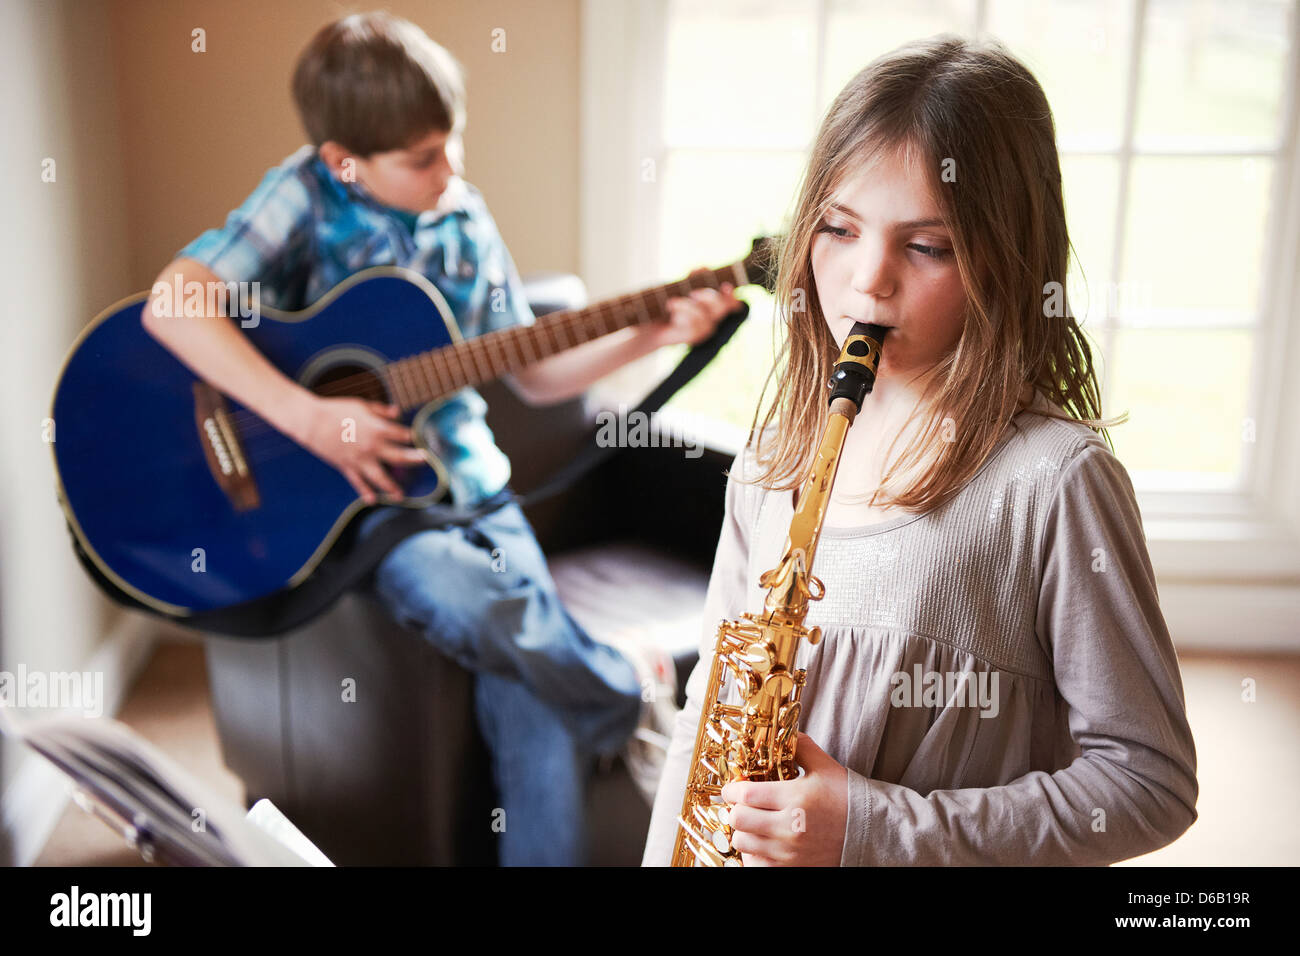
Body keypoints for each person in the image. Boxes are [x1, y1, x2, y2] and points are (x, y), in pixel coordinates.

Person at [140, 11, 741, 865]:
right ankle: (624, 687)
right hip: (371, 509)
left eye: (451, 142)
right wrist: (311, 414)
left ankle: (583, 708)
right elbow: (175, 301)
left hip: (474, 491)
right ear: (347, 159)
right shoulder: (303, 197)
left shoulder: (465, 218)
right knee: (470, 600)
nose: (449, 169)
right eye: (421, 158)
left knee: (527, 690)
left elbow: (532, 374)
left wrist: (656, 335)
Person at [642, 35, 1198, 866]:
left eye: (927, 246)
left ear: (1005, 260)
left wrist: (871, 831)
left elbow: (1149, 783)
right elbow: (706, 715)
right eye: (837, 227)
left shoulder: (1055, 483)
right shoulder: (773, 458)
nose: (868, 280)